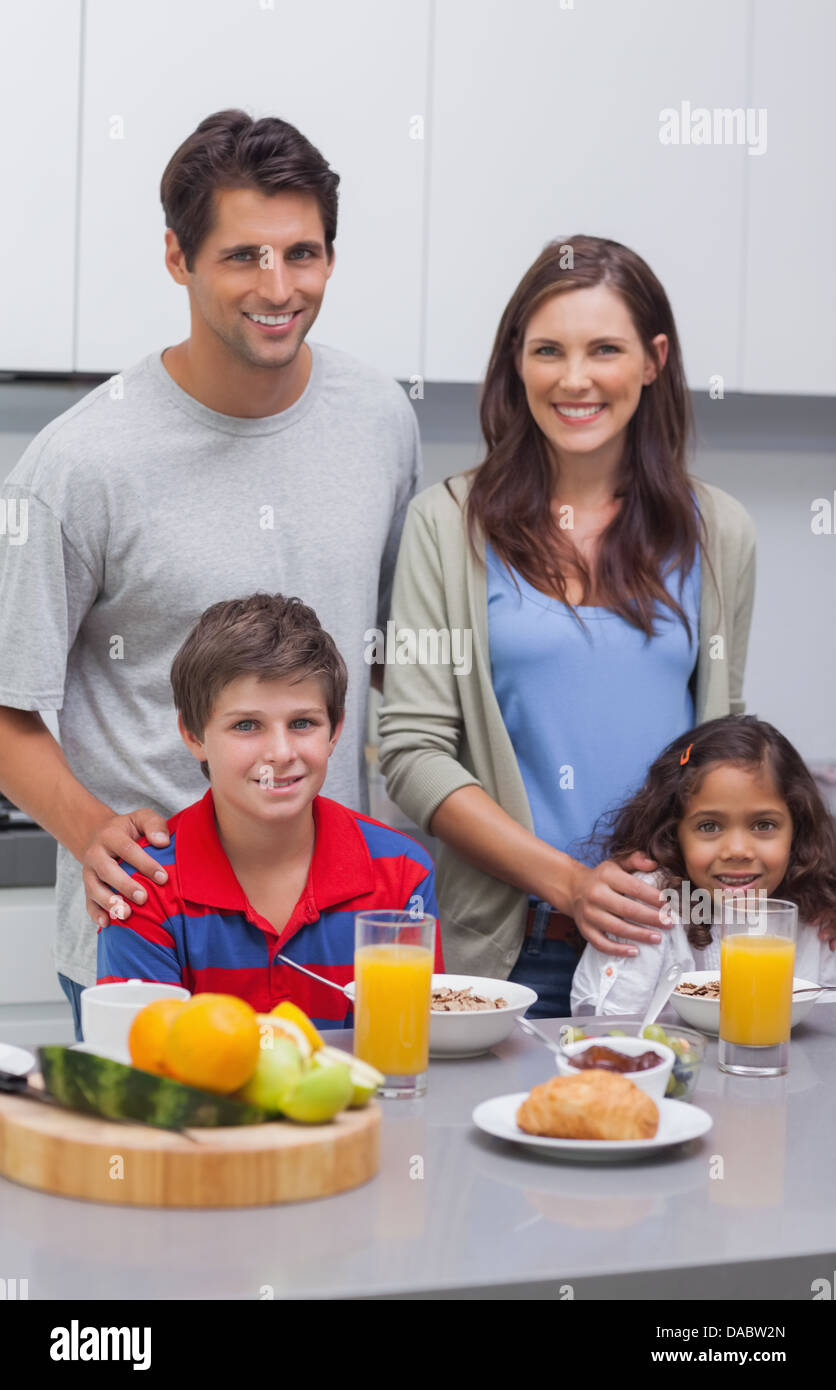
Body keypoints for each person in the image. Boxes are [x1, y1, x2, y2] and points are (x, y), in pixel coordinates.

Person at [0, 110, 420, 1031]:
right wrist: (86, 830)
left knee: (358, 1174)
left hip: (336, 949)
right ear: (177, 258)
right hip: (150, 942)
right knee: (164, 1173)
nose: (278, 287)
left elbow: (387, 657)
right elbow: (7, 704)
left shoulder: (380, 420)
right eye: (242, 257)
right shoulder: (79, 466)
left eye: (302, 253)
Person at [378, 234, 757, 1018]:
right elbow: (414, 752)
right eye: (549, 349)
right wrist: (570, 883)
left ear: (653, 361)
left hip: (669, 947)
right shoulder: (445, 526)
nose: (575, 379)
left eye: (605, 350)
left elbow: (721, 748)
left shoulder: (719, 533)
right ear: (517, 359)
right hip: (516, 946)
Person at [97, 593, 443, 1033]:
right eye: (246, 725)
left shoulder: (402, 873)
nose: (279, 753)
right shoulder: (142, 888)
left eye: (303, 723)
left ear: (335, 729)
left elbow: (409, 1041)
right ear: (193, 734)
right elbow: (145, 1065)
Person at [571, 715, 836, 1015]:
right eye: (709, 827)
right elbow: (609, 1025)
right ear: (674, 834)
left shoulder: (820, 912)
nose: (737, 851)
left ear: (797, 829)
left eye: (763, 824)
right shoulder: (650, 905)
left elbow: (825, 1034)